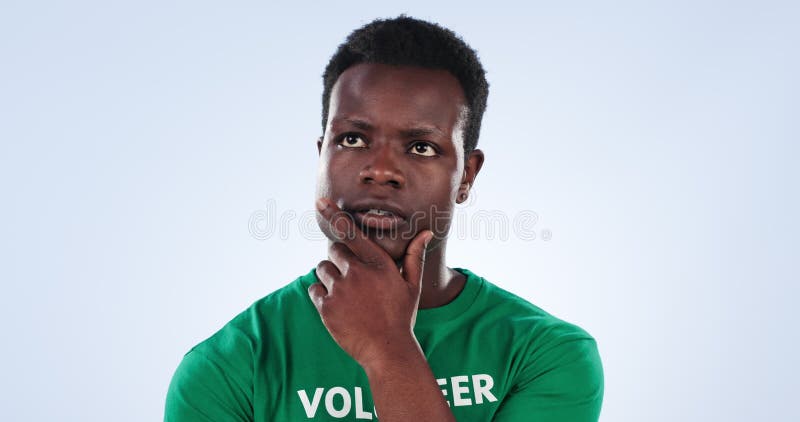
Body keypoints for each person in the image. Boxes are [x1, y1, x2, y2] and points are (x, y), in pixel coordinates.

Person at [165, 15, 604, 422]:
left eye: (420, 147)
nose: (380, 170)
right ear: (322, 156)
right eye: (353, 138)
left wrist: (387, 348)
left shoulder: (547, 354)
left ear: (466, 176)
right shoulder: (228, 368)